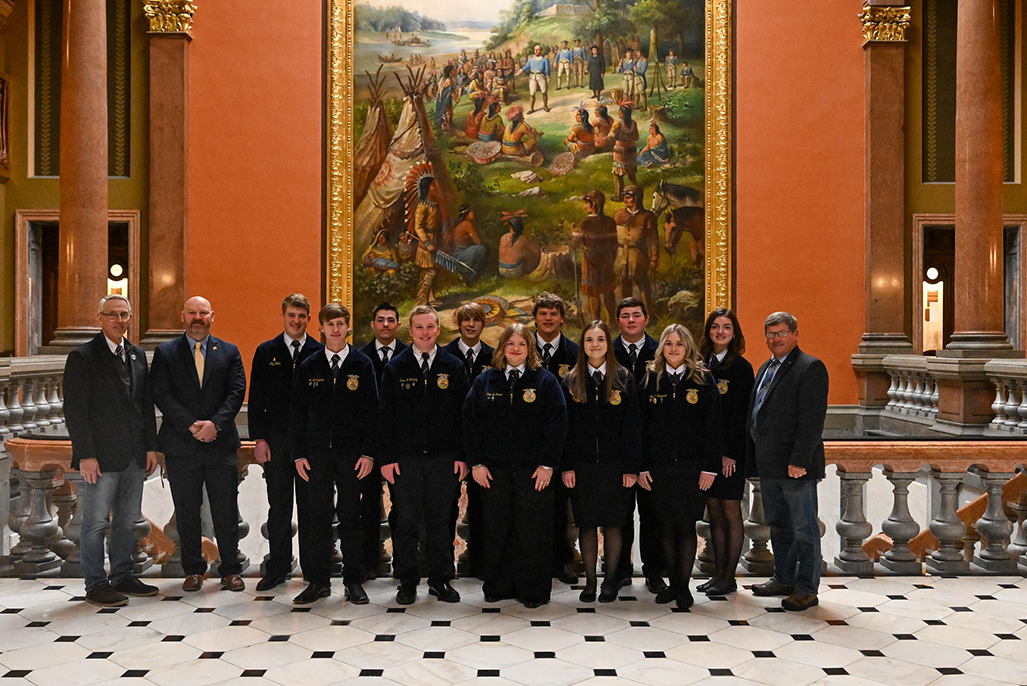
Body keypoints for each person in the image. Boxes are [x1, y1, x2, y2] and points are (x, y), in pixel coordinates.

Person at [64, 295, 159, 607]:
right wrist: (85, 454)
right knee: (94, 522)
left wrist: (150, 447)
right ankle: (95, 583)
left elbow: (145, 406)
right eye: (113, 315)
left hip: (134, 454)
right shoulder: (83, 357)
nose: (120, 320)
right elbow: (76, 411)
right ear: (99, 318)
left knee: (127, 520)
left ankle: (122, 575)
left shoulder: (137, 355)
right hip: (101, 457)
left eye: (124, 315)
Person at [464, 323, 568, 608]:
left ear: (530, 348)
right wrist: (476, 464)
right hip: (493, 471)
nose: (516, 349)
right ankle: (498, 585)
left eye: (522, 344)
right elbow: (470, 424)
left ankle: (532, 589)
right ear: (502, 348)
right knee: (497, 528)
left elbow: (556, 425)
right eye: (510, 344)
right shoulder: (485, 381)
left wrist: (548, 464)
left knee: (532, 530)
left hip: (534, 472)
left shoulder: (545, 381)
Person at [151, 296, 246, 592]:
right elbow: (161, 393)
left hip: (220, 444)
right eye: (192, 312)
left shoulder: (229, 351)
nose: (197, 317)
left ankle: (230, 570)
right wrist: (192, 425)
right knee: (187, 511)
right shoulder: (166, 353)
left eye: (203, 313)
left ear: (212, 316)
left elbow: (237, 391)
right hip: (182, 444)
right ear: (183, 316)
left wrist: (214, 424)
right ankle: (193, 571)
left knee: (226, 511)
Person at [379, 306, 470, 604]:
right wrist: (388, 457)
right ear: (410, 330)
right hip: (406, 460)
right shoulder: (395, 367)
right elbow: (386, 417)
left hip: (444, 459)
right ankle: (407, 581)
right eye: (419, 327)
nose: (425, 332)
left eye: (430, 327)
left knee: (442, 520)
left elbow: (465, 416)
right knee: (404, 521)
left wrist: (461, 455)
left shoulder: (454, 367)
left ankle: (440, 579)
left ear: (439, 329)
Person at [291, 303, 376, 605]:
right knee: (317, 518)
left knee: (352, 517)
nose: (336, 329)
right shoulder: (309, 365)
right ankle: (318, 581)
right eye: (331, 324)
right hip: (316, 455)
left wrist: (368, 453)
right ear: (322, 329)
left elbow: (372, 413)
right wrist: (299, 454)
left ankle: (354, 580)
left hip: (352, 455)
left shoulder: (362, 364)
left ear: (348, 327)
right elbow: (298, 413)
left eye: (341, 324)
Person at [747, 312, 828, 611]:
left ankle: (806, 588)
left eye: (781, 333)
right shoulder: (765, 368)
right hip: (769, 464)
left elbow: (811, 421)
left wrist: (799, 460)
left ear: (795, 334)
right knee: (778, 526)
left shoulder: (810, 367)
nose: (775, 339)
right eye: (770, 334)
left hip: (795, 467)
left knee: (804, 529)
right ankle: (783, 577)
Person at [638, 324, 722, 610]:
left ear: (688, 348)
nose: (674, 349)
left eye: (680, 344)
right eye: (669, 343)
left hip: (692, 468)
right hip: (658, 469)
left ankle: (682, 587)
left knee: (686, 527)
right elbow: (639, 427)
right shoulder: (650, 380)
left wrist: (710, 468)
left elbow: (714, 428)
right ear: (662, 347)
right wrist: (641, 466)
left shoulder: (703, 381)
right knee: (663, 527)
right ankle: (670, 582)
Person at [248, 293, 324, 592]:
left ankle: (312, 569)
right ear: (283, 316)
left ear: (309, 319)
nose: (296, 321)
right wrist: (259, 438)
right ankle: (278, 567)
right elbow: (256, 399)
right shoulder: (267, 351)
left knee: (310, 509)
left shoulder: (320, 352)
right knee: (278, 508)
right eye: (291, 315)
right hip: (277, 443)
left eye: (302, 316)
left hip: (311, 445)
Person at [560, 321, 639, 603]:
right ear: (583, 345)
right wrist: (567, 466)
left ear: (608, 344)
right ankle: (591, 582)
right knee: (587, 525)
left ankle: (610, 581)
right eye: (590, 340)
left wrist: (631, 467)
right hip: (582, 467)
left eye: (601, 339)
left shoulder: (623, 378)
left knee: (615, 524)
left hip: (616, 467)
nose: (595, 345)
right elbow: (564, 429)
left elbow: (632, 427)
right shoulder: (571, 380)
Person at [697, 307, 755, 596]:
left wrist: (730, 452)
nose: (720, 332)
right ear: (709, 331)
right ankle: (718, 574)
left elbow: (741, 416)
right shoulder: (702, 362)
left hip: (730, 455)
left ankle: (729, 576)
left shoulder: (741, 368)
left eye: (727, 327)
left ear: (735, 333)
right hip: (708, 455)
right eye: (716, 326)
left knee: (731, 513)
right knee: (714, 514)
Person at [610, 296, 665, 593]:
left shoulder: (660, 351)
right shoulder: (609, 351)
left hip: (653, 447)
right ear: (618, 320)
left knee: (651, 514)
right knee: (620, 514)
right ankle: (620, 570)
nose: (631, 320)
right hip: (618, 447)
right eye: (625, 316)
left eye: (636, 315)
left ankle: (654, 571)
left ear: (646, 318)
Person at [443, 302, 496, 577]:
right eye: (466, 320)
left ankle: (479, 560)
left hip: (482, 445)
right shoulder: (445, 355)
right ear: (458, 323)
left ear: (482, 324)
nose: (471, 325)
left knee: (481, 506)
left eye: (476, 320)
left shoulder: (494, 356)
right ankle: (441, 563)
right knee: (447, 505)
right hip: (450, 443)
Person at [532, 292, 580, 586]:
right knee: (530, 508)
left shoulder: (575, 353)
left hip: (563, 444)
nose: (548, 318)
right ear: (535, 317)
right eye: (542, 313)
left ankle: (561, 562)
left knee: (560, 509)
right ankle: (532, 561)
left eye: (553, 313)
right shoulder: (522, 349)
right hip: (529, 445)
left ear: (562, 317)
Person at [358, 302, 408, 580]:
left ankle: (403, 561)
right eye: (381, 320)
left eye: (391, 320)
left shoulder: (409, 356)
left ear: (399, 325)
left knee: (402, 506)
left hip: (399, 445)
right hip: (366, 445)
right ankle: (370, 562)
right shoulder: (359, 357)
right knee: (367, 505)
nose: (386, 324)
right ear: (373, 325)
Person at [571, 190, 618, 322]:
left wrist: (574, 233)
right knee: (608, 290)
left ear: (593, 204)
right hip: (607, 260)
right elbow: (614, 243)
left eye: (586, 203)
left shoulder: (584, 223)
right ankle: (611, 321)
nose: (585, 206)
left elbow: (575, 244)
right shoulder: (610, 222)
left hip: (590, 261)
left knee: (593, 292)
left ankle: (595, 320)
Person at [613, 185, 659, 314]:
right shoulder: (619, 215)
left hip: (638, 255)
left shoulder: (647, 216)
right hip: (621, 254)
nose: (625, 201)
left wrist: (654, 258)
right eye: (624, 198)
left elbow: (653, 239)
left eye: (628, 198)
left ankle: (648, 313)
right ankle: (626, 312)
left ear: (637, 198)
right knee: (624, 284)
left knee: (643, 285)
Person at [449, 204, 487, 285]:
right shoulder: (466, 224)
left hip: (455, 251)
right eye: (472, 212)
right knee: (481, 249)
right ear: (467, 214)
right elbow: (477, 241)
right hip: (460, 253)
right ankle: (468, 274)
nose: (473, 213)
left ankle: (468, 275)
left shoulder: (460, 223)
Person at [498, 211, 541, 278]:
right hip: (515, 272)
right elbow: (536, 251)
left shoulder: (503, 238)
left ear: (510, 227)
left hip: (502, 271)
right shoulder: (523, 239)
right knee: (530, 256)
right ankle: (527, 274)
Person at [610, 104, 639, 200]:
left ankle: (619, 195)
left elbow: (611, 136)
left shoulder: (617, 123)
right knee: (631, 173)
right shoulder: (634, 123)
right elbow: (637, 137)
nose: (618, 112)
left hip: (620, 151)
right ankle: (636, 192)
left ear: (623, 113)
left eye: (619, 111)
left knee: (618, 174)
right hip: (631, 149)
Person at [517, 44, 551, 114]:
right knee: (532, 93)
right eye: (535, 49)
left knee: (544, 92)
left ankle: (545, 106)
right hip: (532, 77)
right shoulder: (531, 58)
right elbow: (527, 66)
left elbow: (547, 68)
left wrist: (548, 76)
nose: (536, 51)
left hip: (541, 76)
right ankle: (531, 108)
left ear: (541, 50)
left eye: (538, 49)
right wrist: (521, 70)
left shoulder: (545, 58)